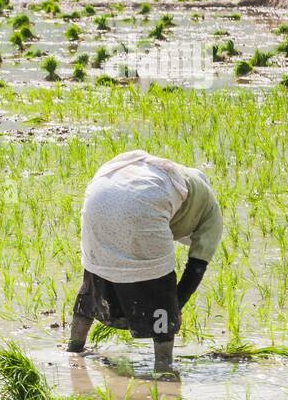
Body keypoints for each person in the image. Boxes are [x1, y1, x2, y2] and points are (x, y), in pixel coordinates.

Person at [67, 150, 223, 376]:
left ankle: (74, 348)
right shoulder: (210, 210)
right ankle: (163, 365)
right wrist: (174, 306)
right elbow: (196, 267)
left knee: (94, 279)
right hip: (144, 201)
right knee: (161, 292)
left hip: (98, 194)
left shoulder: (163, 174)